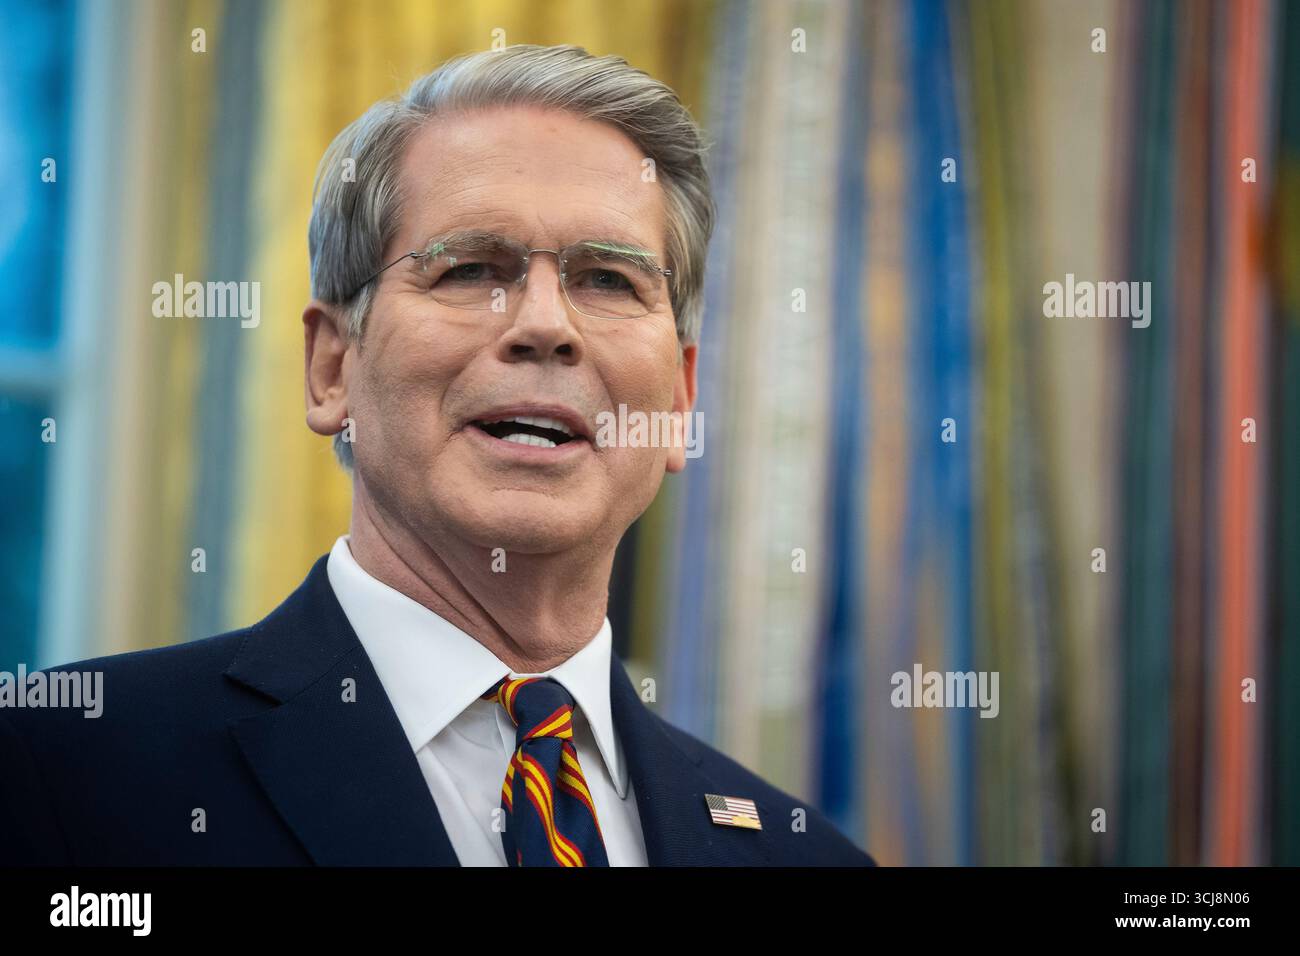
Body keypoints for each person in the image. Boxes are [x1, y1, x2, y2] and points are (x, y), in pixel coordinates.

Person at [0, 44, 873, 867]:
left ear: (681, 402)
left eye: (608, 279)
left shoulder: (803, 855)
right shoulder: (58, 772)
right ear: (332, 366)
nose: (544, 325)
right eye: (469, 269)